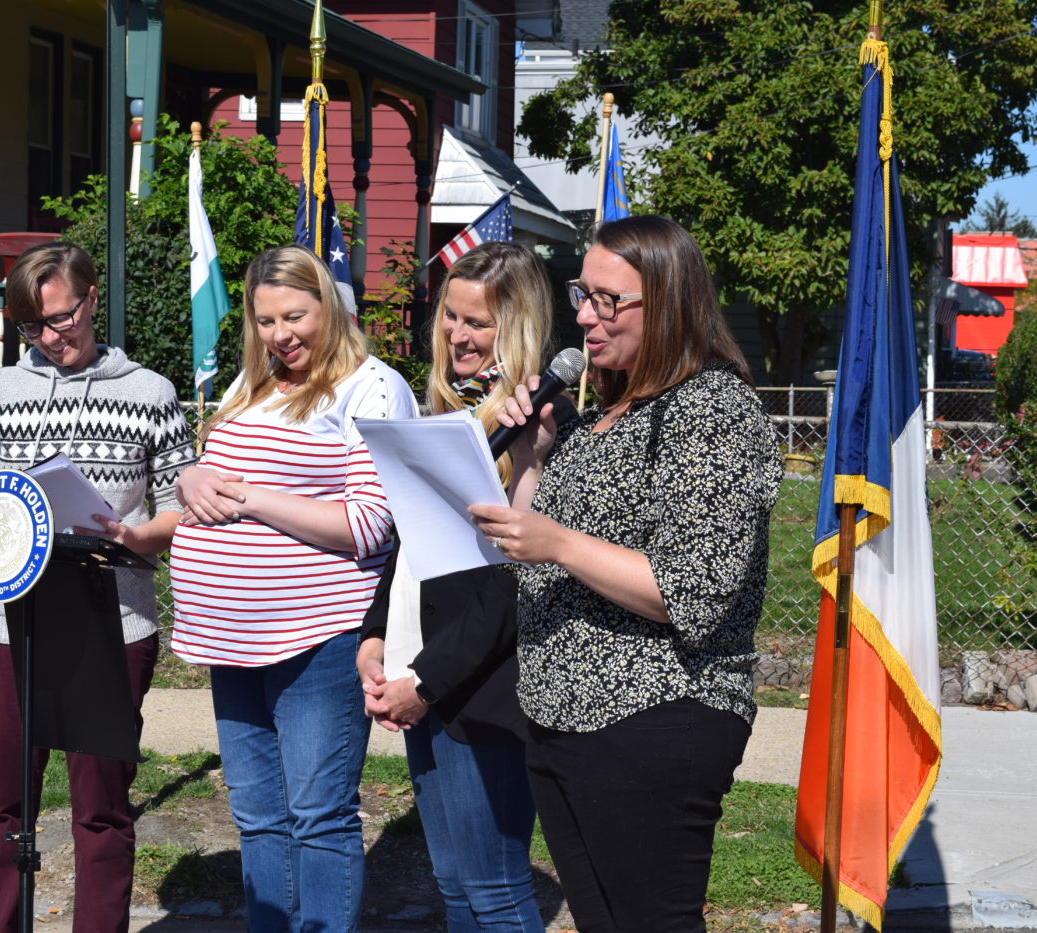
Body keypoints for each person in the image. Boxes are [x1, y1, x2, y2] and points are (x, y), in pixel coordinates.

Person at [469, 215, 783, 933]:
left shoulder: (711, 407)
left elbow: (694, 590)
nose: (584, 315)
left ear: (668, 301)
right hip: (562, 715)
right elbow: (529, 546)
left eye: (608, 300)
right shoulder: (606, 414)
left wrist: (561, 543)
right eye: (584, 293)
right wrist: (539, 453)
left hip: (655, 711)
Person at [0, 241, 194, 933]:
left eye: (62, 318)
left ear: (91, 299)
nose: (51, 337)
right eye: (31, 327)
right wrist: (1, 506)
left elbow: (182, 508)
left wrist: (139, 537)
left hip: (112, 626)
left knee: (103, 808)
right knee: (1, 808)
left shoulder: (150, 393)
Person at [167, 244, 417, 931]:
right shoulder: (251, 385)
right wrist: (191, 477)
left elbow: (371, 525)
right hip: (232, 641)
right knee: (257, 817)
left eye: (296, 315)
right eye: (267, 320)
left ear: (330, 306)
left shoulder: (372, 386)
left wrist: (252, 498)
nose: (283, 334)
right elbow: (211, 478)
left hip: (319, 638)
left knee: (318, 815)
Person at [355, 241, 555, 933]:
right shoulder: (446, 412)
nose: (459, 336)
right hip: (426, 673)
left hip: (486, 690)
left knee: (495, 890)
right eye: (452, 318)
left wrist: (426, 681)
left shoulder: (538, 431)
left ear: (518, 326)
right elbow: (407, 544)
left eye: (479, 323)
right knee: (454, 885)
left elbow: (512, 592)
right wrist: (375, 637)